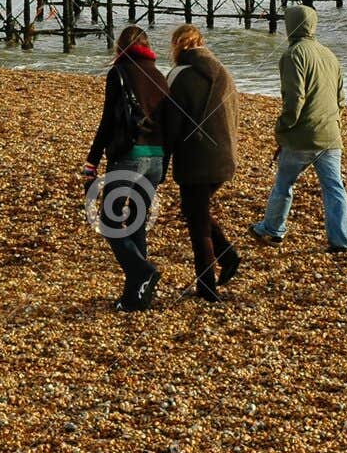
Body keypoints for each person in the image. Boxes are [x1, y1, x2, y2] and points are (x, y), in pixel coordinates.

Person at [250, 5, 347, 253]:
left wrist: (283, 128)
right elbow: (341, 98)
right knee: (334, 188)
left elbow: (294, 98)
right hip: (330, 134)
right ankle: (341, 241)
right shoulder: (329, 55)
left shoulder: (293, 54)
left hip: (301, 135)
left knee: (285, 183)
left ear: (290, 25)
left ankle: (273, 230)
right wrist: (334, 122)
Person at [82, 25, 171, 311]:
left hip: (130, 157)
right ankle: (137, 296)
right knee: (136, 225)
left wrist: (91, 161)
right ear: (147, 46)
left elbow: (108, 121)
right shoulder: (159, 76)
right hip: (156, 159)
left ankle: (142, 271)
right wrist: (165, 164)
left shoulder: (119, 73)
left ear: (121, 46)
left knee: (109, 221)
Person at [160, 24, 241, 301]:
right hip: (224, 157)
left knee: (197, 220)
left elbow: (171, 124)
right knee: (196, 211)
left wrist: (163, 159)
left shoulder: (179, 75)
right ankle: (227, 255)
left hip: (195, 158)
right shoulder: (224, 72)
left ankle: (207, 285)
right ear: (201, 42)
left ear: (176, 46)